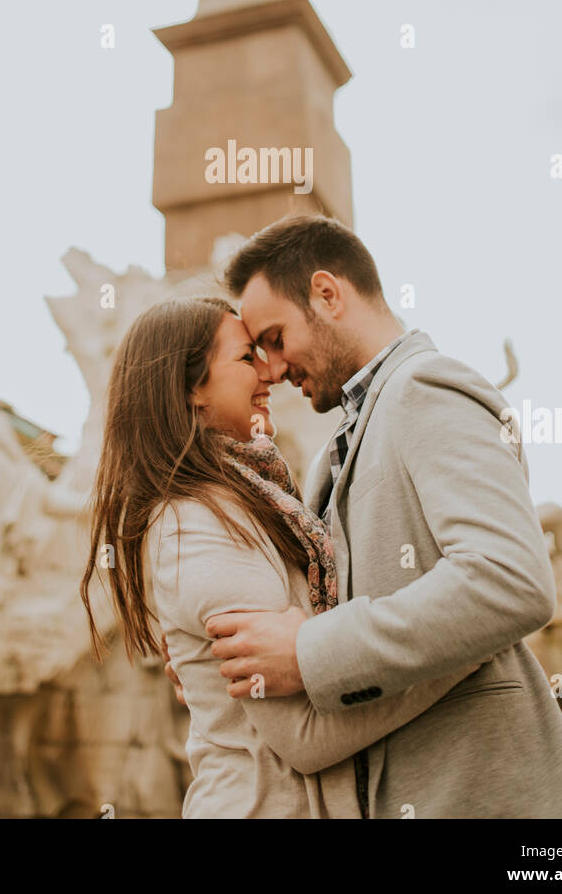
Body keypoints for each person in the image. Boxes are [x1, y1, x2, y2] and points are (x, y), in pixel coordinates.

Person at [192, 213, 562, 820]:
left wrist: (311, 649)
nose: (274, 370)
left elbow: (510, 579)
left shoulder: (427, 387)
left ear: (327, 294)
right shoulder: (327, 458)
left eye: (277, 339)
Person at [80, 294, 477, 818]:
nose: (270, 371)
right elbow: (306, 737)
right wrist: (465, 646)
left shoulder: (253, 495)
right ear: (190, 390)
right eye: (247, 358)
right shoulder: (196, 524)